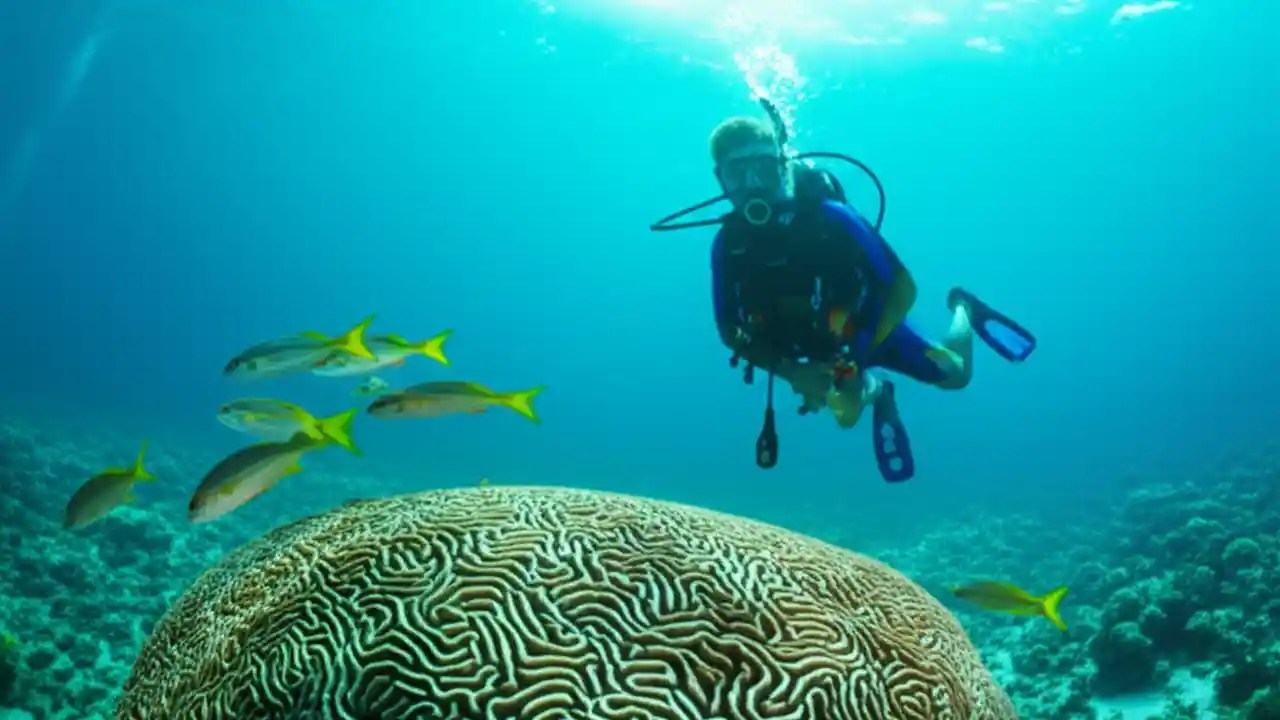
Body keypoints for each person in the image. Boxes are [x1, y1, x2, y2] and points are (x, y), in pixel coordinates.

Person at [651, 102, 1037, 482]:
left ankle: (963, 308)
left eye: (763, 169)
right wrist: (792, 372)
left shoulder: (831, 218)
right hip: (810, 348)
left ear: (781, 165)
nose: (753, 185)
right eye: (738, 173)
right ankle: (878, 390)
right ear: (721, 180)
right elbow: (728, 329)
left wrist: (854, 355)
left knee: (955, 375)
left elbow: (900, 288)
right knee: (844, 414)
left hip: (868, 328)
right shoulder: (728, 245)